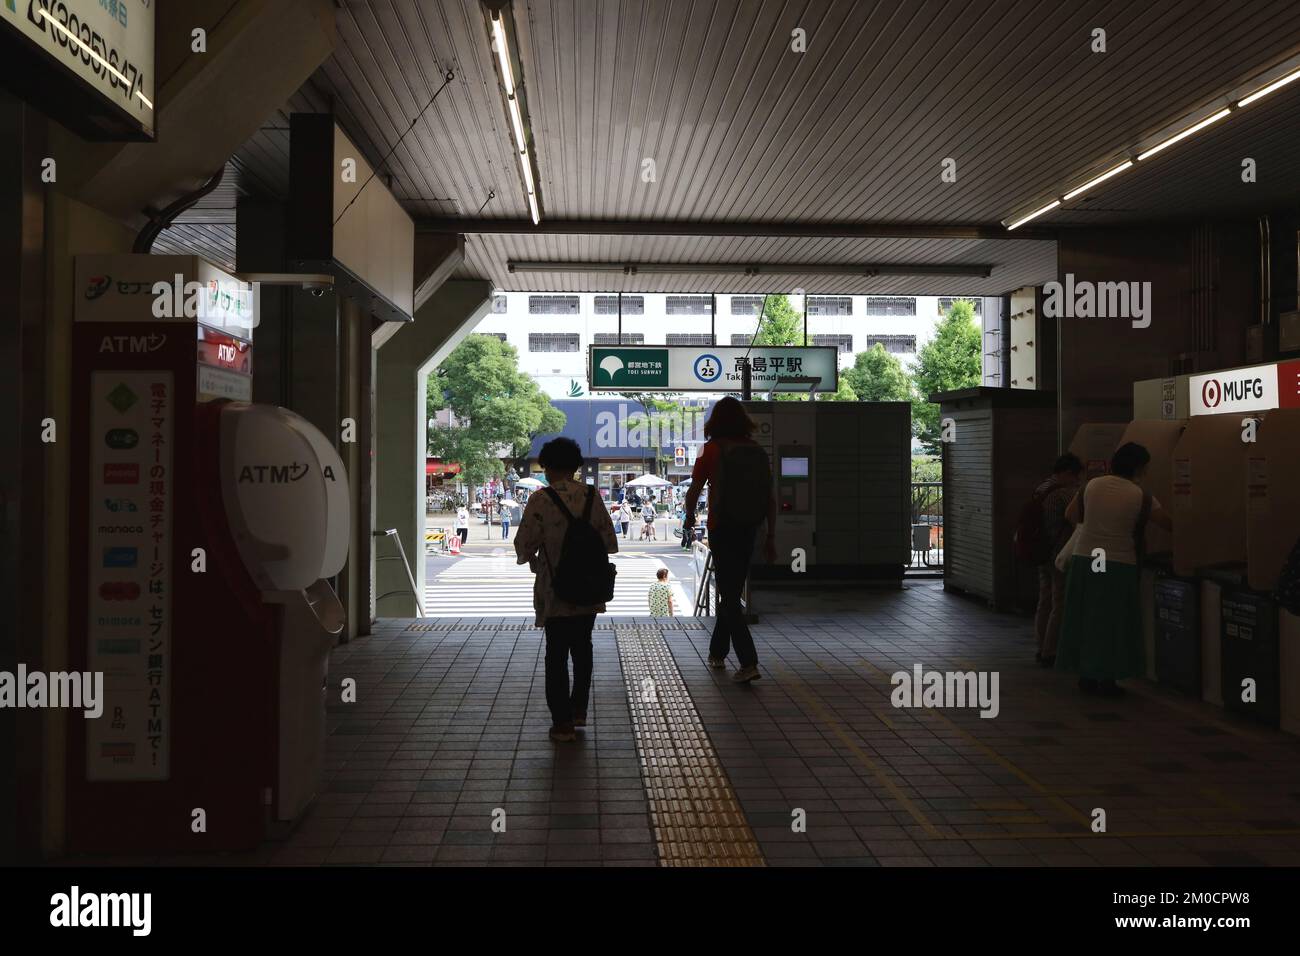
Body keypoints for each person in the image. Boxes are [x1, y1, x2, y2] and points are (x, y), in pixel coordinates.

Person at [514, 438, 619, 742]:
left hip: (555, 589)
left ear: (546, 467)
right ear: (576, 467)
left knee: (556, 653)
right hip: (589, 586)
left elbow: (524, 546)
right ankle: (578, 710)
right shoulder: (591, 496)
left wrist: (534, 558)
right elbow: (609, 542)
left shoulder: (541, 499)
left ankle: (561, 723)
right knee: (583, 648)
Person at [1055, 442, 1172, 698]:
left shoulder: (1091, 485)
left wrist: (1095, 526)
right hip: (1119, 563)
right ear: (1140, 467)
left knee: (1085, 618)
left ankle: (1085, 675)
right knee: (1114, 623)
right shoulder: (1141, 495)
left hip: (1085, 559)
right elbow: (1167, 524)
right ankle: (1108, 679)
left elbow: (1071, 514)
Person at [683, 396, 776, 683]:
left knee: (730, 593)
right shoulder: (757, 451)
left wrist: (688, 517)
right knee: (731, 590)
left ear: (715, 421)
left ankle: (749, 662)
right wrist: (770, 536)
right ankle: (718, 652)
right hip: (750, 527)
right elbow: (769, 498)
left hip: (722, 528)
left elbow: (694, 490)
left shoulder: (711, 450)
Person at [1032, 453, 1083, 667]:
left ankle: (1041, 645)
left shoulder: (1042, 488)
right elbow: (1078, 520)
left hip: (1042, 552)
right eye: (1076, 476)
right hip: (1059, 554)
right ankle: (1050, 651)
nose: (1078, 480)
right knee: (1059, 604)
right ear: (1068, 473)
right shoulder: (1065, 493)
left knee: (1044, 601)